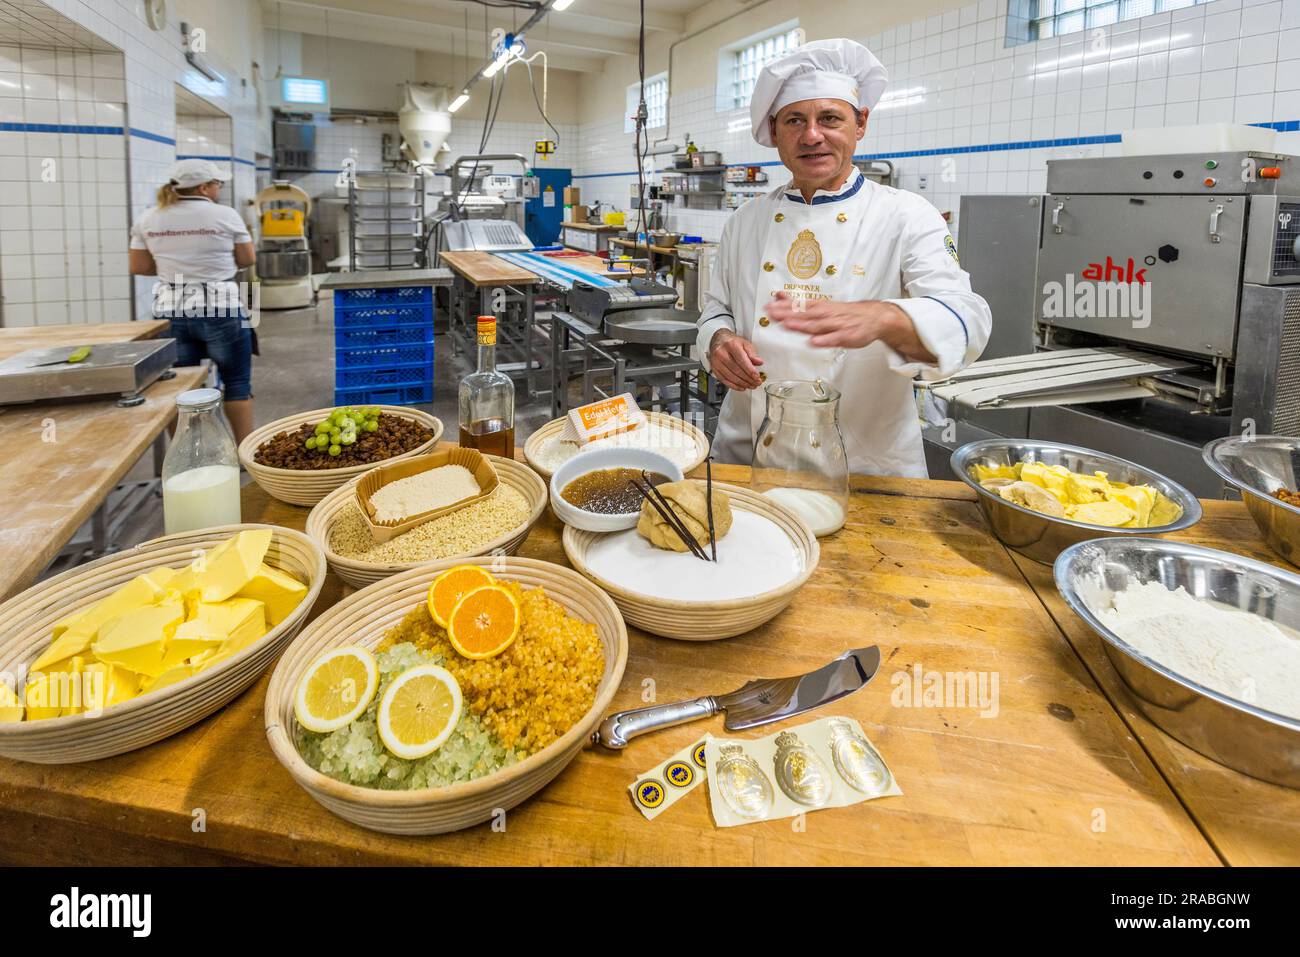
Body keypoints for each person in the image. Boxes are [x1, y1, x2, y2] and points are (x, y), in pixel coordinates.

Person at [696, 39, 992, 477]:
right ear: (776, 132)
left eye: (830, 118)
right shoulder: (746, 220)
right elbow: (716, 309)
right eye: (795, 120)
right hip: (746, 453)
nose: (812, 135)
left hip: (863, 466)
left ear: (860, 124)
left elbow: (968, 319)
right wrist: (717, 342)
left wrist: (887, 318)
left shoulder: (906, 215)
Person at [129, 158, 257, 443]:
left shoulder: (149, 217)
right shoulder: (225, 215)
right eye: (217, 184)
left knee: (178, 388)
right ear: (203, 187)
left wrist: (173, 271)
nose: (218, 188)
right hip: (220, 305)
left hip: (170, 309)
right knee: (236, 384)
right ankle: (244, 456)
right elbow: (247, 259)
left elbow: (139, 266)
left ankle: (186, 455)